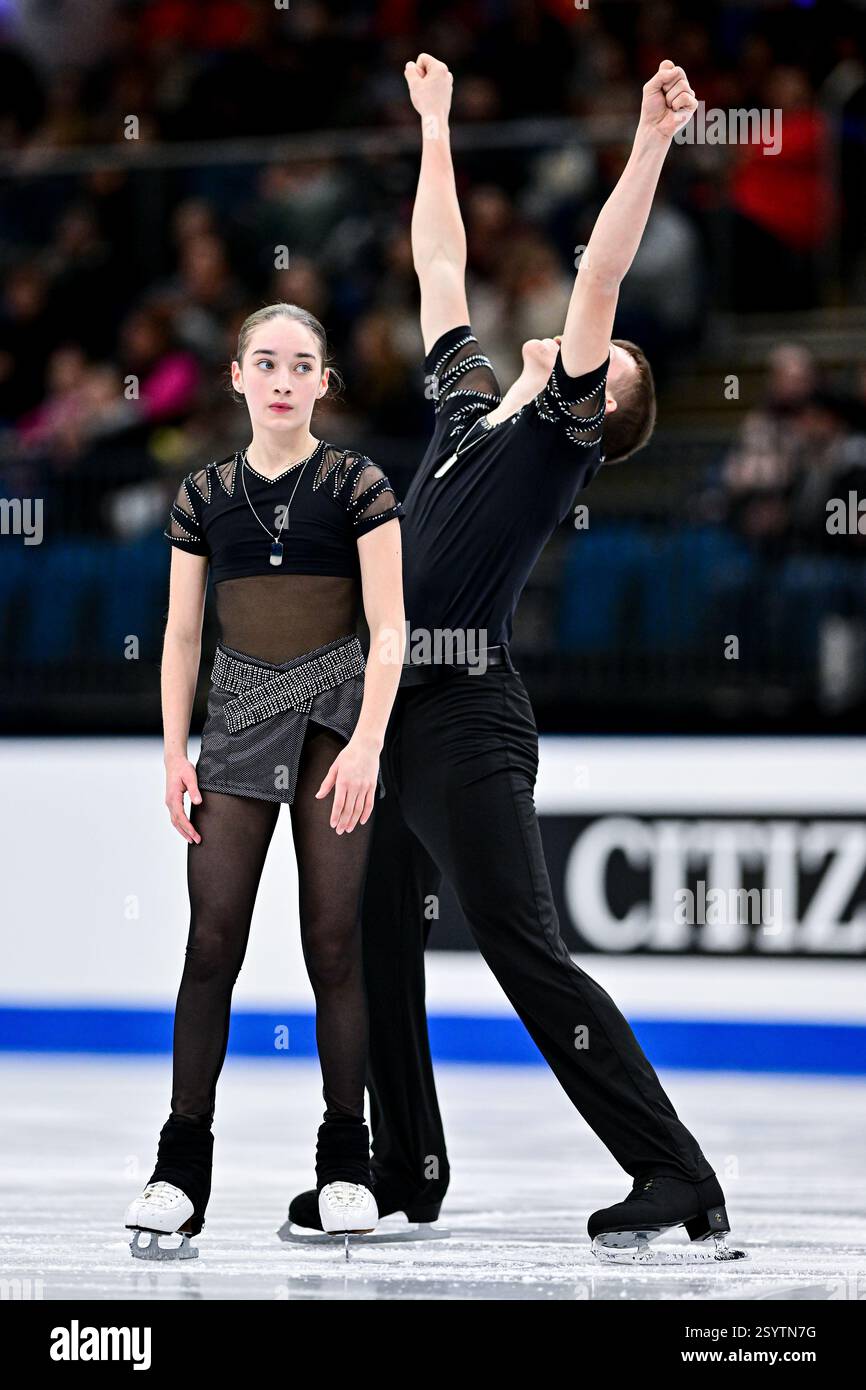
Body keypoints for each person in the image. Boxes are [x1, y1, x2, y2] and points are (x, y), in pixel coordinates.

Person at [288, 55, 745, 1263]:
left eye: (614, 358)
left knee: (520, 948)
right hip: (388, 710)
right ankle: (405, 1170)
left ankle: (673, 1170)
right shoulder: (465, 405)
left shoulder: (556, 431)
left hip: (465, 718)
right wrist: (434, 121)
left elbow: (597, 271)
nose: (597, 343)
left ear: (605, 407)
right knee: (371, 934)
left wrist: (648, 143)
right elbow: (440, 263)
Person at [124, 302, 405, 1257]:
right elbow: (180, 635)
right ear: (237, 376)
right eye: (266, 363)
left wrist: (369, 739)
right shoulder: (202, 496)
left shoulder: (359, 483)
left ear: (325, 382)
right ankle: (178, 1170)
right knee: (212, 943)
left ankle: (346, 1166)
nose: (284, 379)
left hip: (335, 720)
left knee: (332, 945)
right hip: (237, 722)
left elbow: (392, 628)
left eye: (303, 365)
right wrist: (173, 753)